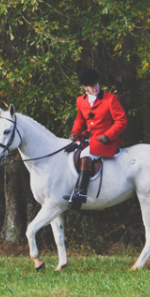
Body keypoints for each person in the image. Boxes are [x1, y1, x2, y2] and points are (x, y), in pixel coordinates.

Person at [63, 68, 127, 205]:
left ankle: (81, 192)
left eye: (97, 83)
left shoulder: (111, 99)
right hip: (87, 139)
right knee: (68, 151)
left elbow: (121, 121)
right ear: (84, 87)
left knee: (85, 154)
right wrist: (74, 132)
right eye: (91, 85)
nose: (95, 87)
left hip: (105, 141)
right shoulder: (80, 100)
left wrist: (108, 136)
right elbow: (80, 120)